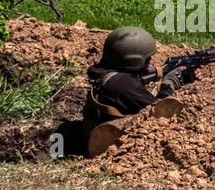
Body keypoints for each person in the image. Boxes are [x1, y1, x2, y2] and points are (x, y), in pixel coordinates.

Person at [81, 26, 189, 156]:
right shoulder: (123, 84)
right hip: (110, 149)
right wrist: (170, 82)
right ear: (133, 60)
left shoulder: (108, 76)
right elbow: (161, 113)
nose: (151, 63)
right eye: (147, 60)